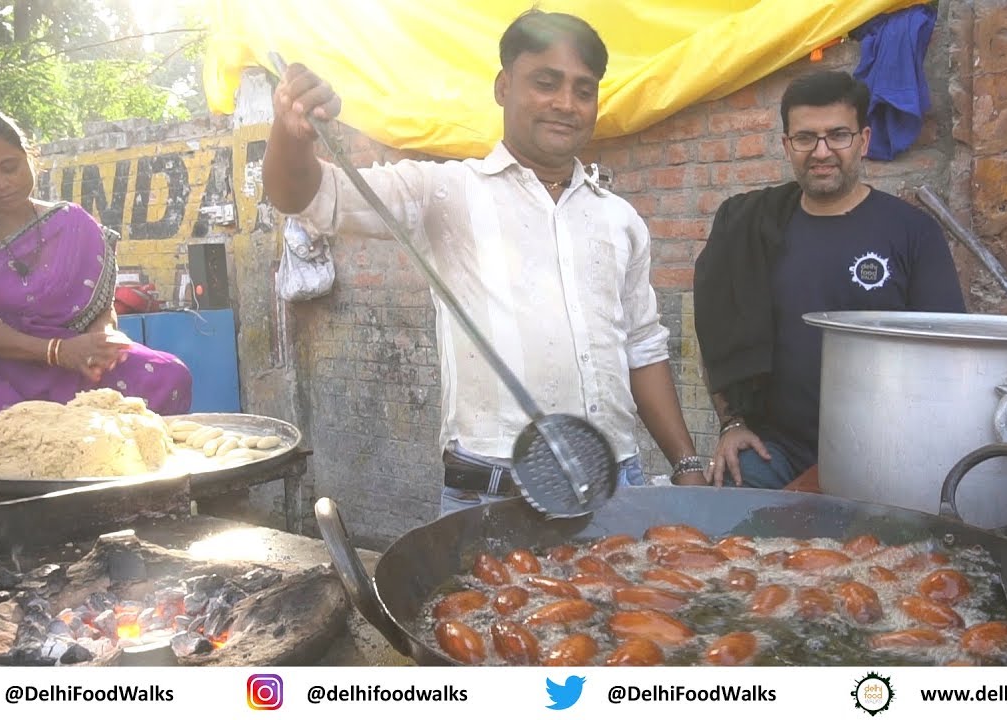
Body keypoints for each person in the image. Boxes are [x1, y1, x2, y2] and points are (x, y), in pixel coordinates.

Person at [263, 10, 709, 515]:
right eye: (546, 82)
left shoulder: (619, 218)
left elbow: (643, 348)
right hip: (493, 496)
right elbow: (301, 194)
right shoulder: (445, 191)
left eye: (584, 90)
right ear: (503, 86)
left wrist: (686, 465)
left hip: (617, 488)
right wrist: (291, 131)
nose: (566, 104)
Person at [693, 70, 965, 489]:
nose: (821, 151)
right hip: (776, 449)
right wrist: (732, 423)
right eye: (805, 138)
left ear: (864, 140)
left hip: (885, 451)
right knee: (729, 529)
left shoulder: (912, 233)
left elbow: (944, 362)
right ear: (787, 145)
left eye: (838, 135)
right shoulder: (753, 228)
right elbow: (717, 329)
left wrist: (836, 471)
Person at [0, 109, 193, 416]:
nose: (1, 182)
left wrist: (103, 339)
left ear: (29, 155)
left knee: (170, 375)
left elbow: (99, 306)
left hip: (78, 360)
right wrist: (57, 351)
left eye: (10, 167)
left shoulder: (70, 220)